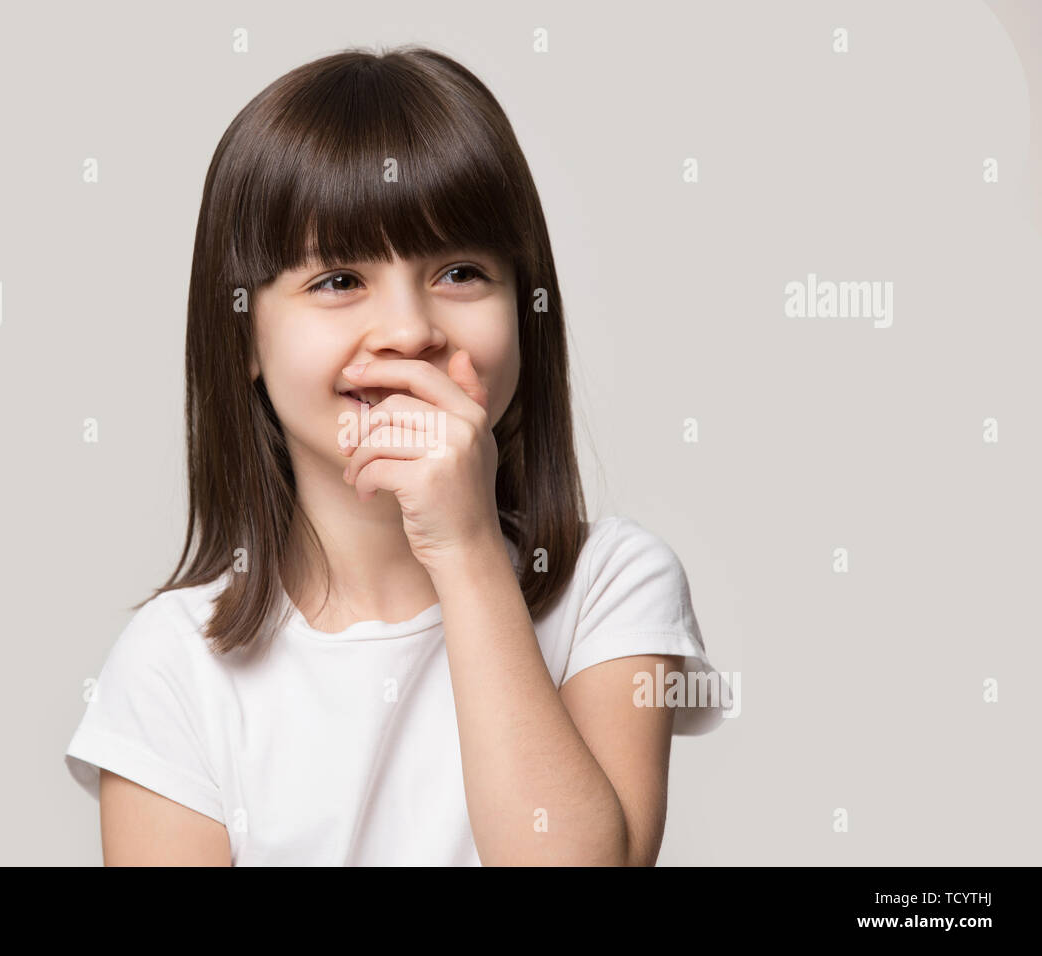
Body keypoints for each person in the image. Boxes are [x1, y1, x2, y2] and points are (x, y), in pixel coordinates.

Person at [64, 44, 732, 866]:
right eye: (339, 280)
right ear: (244, 333)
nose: (411, 330)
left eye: (460, 271)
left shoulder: (610, 586)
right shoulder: (173, 665)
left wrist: (468, 550)